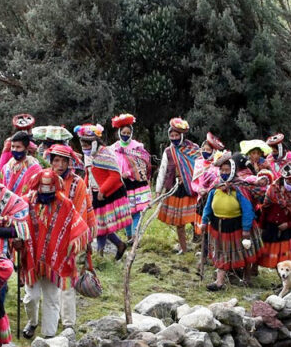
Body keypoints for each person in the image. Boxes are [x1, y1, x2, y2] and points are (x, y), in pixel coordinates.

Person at [20, 169, 87, 339]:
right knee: (31, 297)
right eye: (43, 190)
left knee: (51, 298)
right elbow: (16, 222)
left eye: (50, 191)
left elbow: (77, 226)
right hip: (31, 258)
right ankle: (33, 322)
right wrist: (16, 240)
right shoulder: (26, 202)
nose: (46, 195)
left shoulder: (64, 204)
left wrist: (73, 243)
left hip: (55, 260)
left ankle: (49, 337)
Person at [200, 154, 258, 291]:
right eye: (222, 170)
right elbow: (208, 206)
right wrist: (204, 220)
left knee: (245, 252)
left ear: (233, 170)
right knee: (221, 252)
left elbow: (248, 209)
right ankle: (219, 282)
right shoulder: (216, 187)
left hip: (237, 225)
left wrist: (245, 229)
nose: (224, 173)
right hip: (219, 225)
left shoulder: (239, 187)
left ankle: (247, 276)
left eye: (227, 170)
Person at [79, 125, 130, 259]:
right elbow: (88, 173)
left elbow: (114, 176)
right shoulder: (89, 155)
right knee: (100, 226)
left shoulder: (105, 153)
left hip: (107, 194)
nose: (85, 149)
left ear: (94, 143)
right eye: (83, 146)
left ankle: (99, 256)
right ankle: (118, 245)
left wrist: (102, 190)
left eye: (87, 146)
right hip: (94, 194)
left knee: (100, 227)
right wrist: (83, 189)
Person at [153, 118, 202, 255]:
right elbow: (163, 170)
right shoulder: (168, 151)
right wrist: (158, 190)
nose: (174, 138)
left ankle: (203, 246)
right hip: (174, 190)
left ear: (182, 135)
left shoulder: (193, 149)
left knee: (195, 219)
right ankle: (184, 249)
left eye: (176, 135)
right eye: (172, 136)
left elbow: (199, 167)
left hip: (190, 189)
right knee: (179, 222)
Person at [258, 161, 291, 270]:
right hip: (273, 227)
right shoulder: (273, 189)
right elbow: (266, 208)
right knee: (276, 260)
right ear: (284, 179)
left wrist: (289, 224)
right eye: (288, 180)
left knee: (290, 262)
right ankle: (281, 282)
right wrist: (261, 226)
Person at [109, 114, 151, 237]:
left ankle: (134, 235)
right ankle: (129, 236)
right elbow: (111, 164)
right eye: (123, 132)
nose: (125, 135)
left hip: (136, 183)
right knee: (126, 212)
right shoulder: (113, 148)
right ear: (119, 132)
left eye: (128, 133)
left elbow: (143, 163)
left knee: (137, 211)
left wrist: (131, 172)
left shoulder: (137, 147)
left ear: (131, 134)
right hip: (121, 183)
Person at [1, 130, 40, 197]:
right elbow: (0, 186)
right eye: (12, 146)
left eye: (18, 147)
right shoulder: (6, 167)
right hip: (6, 205)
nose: (14, 150)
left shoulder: (35, 168)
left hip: (25, 206)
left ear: (26, 148)